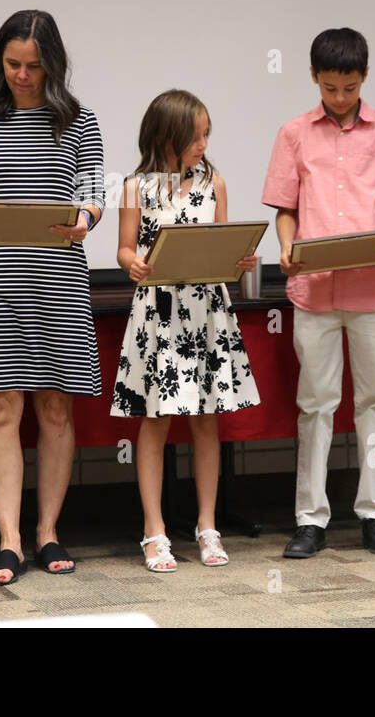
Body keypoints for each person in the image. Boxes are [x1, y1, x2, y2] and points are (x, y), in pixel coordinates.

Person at [0, 10, 105, 585]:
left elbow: (92, 194)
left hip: (58, 276)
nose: (23, 75)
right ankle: (8, 540)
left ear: (53, 65)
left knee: (56, 408)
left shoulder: (78, 121)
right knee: (0, 408)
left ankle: (47, 532)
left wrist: (86, 218)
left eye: (34, 66)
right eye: (13, 64)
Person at [261, 28, 375, 559]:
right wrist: (287, 248)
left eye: (349, 88)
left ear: (364, 77)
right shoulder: (293, 133)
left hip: (374, 289)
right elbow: (285, 209)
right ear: (313, 78)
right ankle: (311, 519)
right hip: (315, 290)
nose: (339, 98)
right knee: (316, 405)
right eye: (330, 88)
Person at [112, 90, 261, 572]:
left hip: (205, 310)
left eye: (207, 134)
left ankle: (207, 525)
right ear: (167, 136)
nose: (203, 143)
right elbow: (123, 250)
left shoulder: (214, 183)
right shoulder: (136, 187)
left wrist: (242, 260)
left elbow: (221, 246)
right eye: (195, 135)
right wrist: (134, 263)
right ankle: (154, 531)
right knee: (154, 421)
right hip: (158, 311)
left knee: (205, 418)